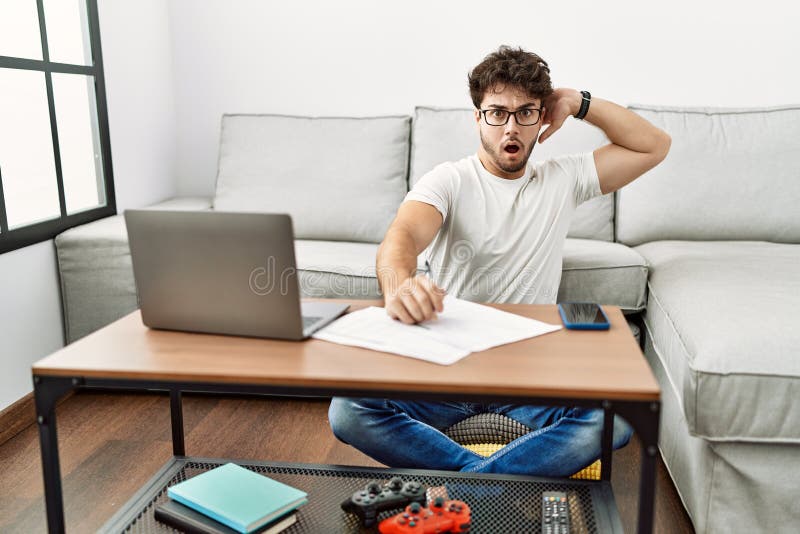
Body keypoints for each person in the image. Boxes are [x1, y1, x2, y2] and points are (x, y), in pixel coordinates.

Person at [328, 46, 671, 477]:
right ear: (478, 118)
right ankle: (491, 485)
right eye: (497, 113)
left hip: (531, 375)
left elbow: (654, 146)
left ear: (543, 117)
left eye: (526, 112)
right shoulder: (449, 180)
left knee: (614, 420)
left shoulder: (563, 179)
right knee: (348, 411)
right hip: (446, 367)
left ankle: (470, 487)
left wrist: (578, 102)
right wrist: (399, 284)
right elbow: (403, 236)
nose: (510, 127)